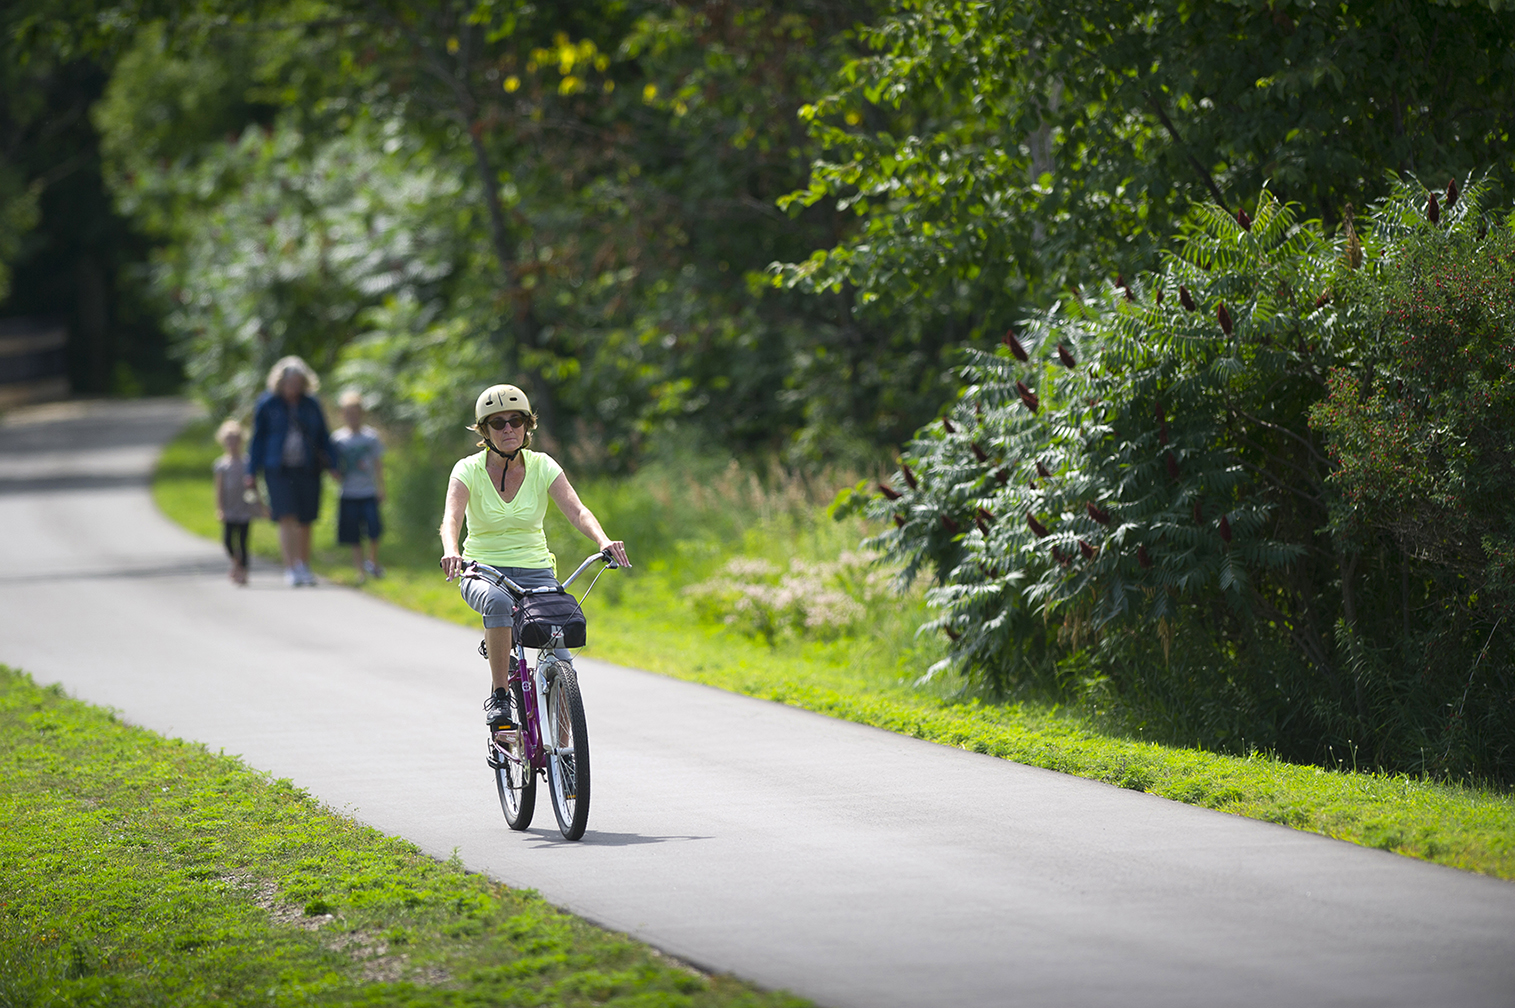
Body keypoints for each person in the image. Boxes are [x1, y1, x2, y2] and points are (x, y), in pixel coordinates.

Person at [439, 383, 631, 728]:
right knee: (497, 603)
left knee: (561, 649)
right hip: (482, 570)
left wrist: (603, 540)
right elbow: (451, 518)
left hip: (537, 571)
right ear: (484, 431)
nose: (508, 428)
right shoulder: (467, 469)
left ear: (528, 425)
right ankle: (499, 698)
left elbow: (577, 511)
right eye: (498, 423)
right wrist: (452, 551)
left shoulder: (542, 466)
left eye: (516, 420)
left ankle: (561, 748)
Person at [247, 356, 339, 587]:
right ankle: (290, 567)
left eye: (298, 383)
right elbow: (257, 439)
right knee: (286, 516)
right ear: (280, 382)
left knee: (306, 518)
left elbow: (323, 437)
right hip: (277, 468)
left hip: (307, 467)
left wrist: (334, 465)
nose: (294, 388)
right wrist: (251, 471)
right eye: (290, 383)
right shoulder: (267, 404)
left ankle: (303, 565)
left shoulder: (311, 404)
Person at [331, 390, 386, 582]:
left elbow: (378, 464)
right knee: (353, 534)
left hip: (368, 491)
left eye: (355, 412)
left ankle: (373, 561)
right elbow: (334, 465)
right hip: (348, 493)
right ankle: (359, 570)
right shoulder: (338, 439)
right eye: (348, 413)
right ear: (342, 414)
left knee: (374, 529)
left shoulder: (371, 437)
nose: (352, 417)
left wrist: (381, 487)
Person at [212, 419, 263, 585]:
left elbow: (255, 487)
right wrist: (220, 509)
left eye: (235, 438)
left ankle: (244, 572)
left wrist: (260, 506)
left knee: (243, 541)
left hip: (244, 509)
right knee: (228, 541)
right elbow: (219, 489)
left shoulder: (248, 462)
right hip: (229, 508)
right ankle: (236, 563)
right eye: (228, 439)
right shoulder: (221, 465)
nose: (232, 443)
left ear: (241, 440)